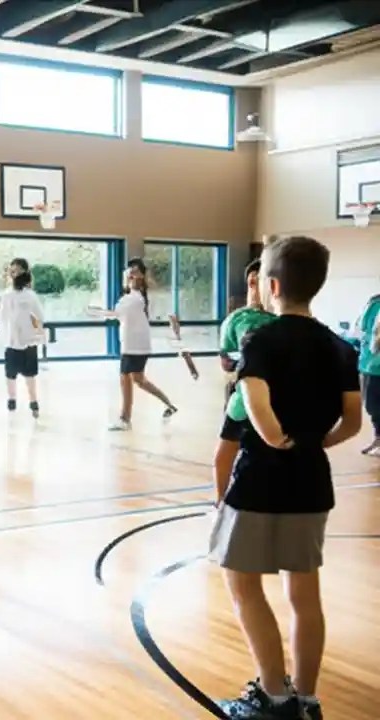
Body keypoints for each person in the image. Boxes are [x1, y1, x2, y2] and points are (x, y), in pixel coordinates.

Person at [209, 236, 361, 720]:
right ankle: (307, 700)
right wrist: (313, 443)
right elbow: (353, 422)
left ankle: (273, 695)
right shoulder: (340, 347)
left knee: (243, 585)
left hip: (258, 482)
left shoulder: (259, 341)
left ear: (271, 286)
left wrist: (278, 439)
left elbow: (257, 405)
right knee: (304, 594)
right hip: (312, 482)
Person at [213, 259, 276, 502]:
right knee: (226, 451)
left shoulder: (284, 320)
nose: (254, 288)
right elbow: (226, 360)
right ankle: (220, 501)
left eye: (259, 282)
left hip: (278, 401)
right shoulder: (237, 320)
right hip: (243, 400)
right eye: (251, 282)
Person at [88, 266, 177, 430]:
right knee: (138, 380)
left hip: (133, 347)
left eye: (131, 276)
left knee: (128, 379)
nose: (129, 278)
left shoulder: (132, 299)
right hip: (137, 346)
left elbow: (114, 314)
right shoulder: (138, 299)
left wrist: (94, 312)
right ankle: (168, 404)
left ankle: (125, 418)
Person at [0, 270, 44, 417]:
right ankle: (33, 402)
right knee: (30, 375)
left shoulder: (5, 295)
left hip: (11, 341)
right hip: (29, 341)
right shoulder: (31, 296)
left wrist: (1, 327)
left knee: (10, 374)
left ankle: (12, 400)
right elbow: (39, 316)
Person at [351, 292, 380, 455]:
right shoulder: (373, 303)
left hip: (372, 364)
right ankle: (378, 438)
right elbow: (360, 332)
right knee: (372, 406)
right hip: (370, 366)